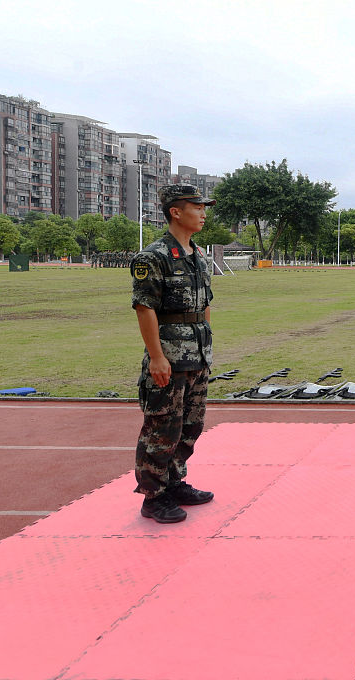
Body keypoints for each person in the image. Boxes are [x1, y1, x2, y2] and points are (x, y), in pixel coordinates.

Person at [130, 184, 217, 524]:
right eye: (197, 207)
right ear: (175, 212)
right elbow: (144, 307)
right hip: (169, 355)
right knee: (162, 426)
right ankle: (153, 496)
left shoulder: (198, 256)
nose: (203, 213)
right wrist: (156, 357)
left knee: (190, 425)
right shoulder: (153, 256)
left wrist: (206, 343)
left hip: (197, 355)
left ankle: (174, 482)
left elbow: (205, 306)